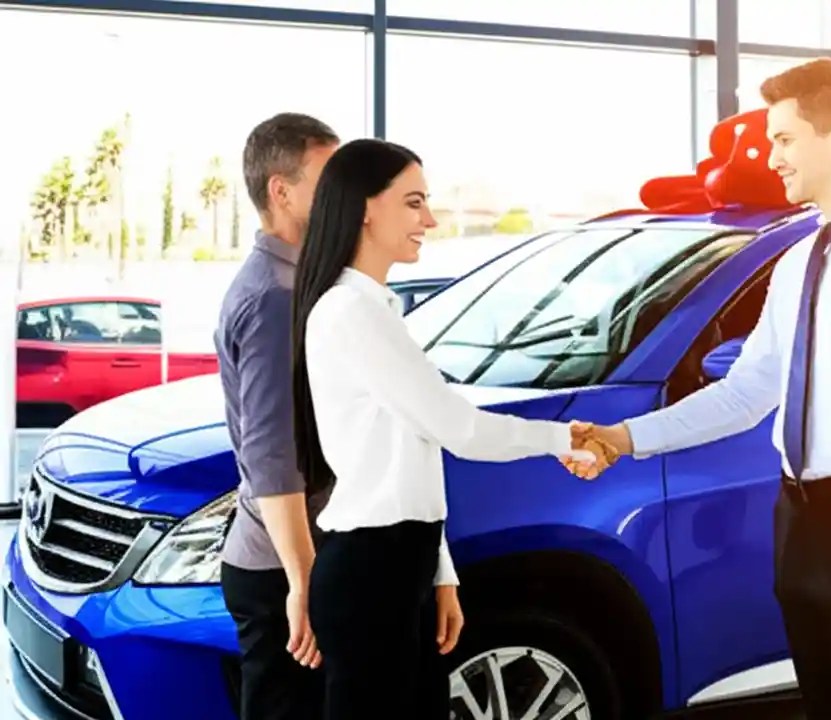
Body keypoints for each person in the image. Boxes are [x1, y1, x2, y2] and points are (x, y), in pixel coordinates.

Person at [570, 58, 831, 719]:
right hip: (799, 522)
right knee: (828, 706)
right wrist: (625, 437)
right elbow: (746, 392)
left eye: (785, 138)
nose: (772, 155)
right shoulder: (796, 263)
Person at [289, 138, 603, 719]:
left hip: (394, 565)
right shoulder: (350, 312)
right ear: (365, 208)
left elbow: (418, 449)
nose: (429, 219)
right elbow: (456, 428)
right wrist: (562, 438)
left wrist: (441, 572)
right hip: (371, 574)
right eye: (413, 203)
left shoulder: (374, 309)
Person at [215, 112, 340, 720]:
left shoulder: (290, 282)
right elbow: (273, 456)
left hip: (279, 562)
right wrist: (305, 582)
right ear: (280, 191)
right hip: (280, 570)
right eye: (327, 180)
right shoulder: (275, 296)